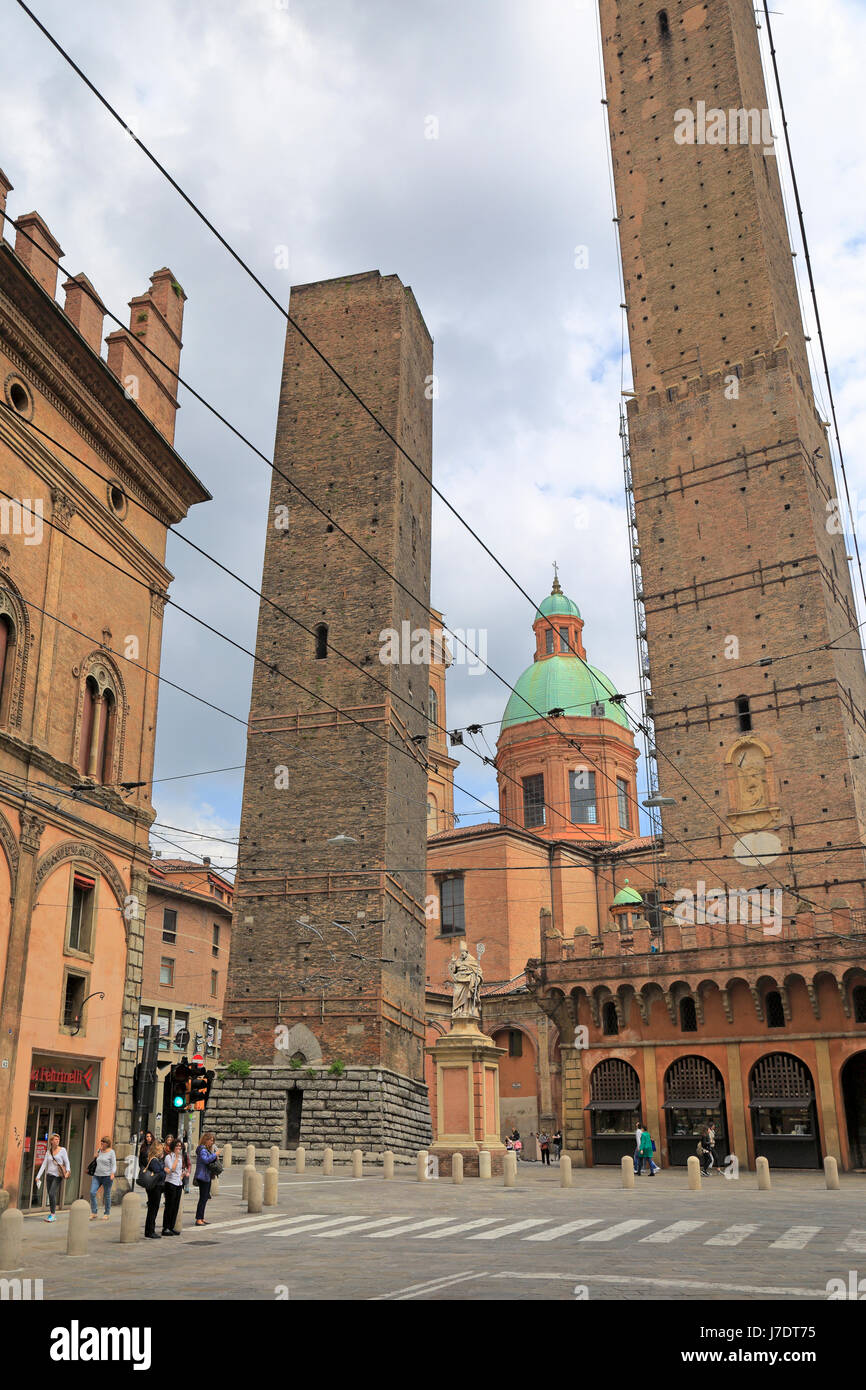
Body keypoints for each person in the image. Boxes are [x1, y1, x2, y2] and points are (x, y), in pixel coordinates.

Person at [35, 1133, 70, 1221]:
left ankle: (53, 1214)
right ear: (51, 1141)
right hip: (49, 1175)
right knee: (51, 1195)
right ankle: (52, 1213)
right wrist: (38, 1176)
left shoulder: (62, 1150)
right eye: (55, 1139)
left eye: (58, 1139)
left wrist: (68, 1171)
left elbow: (67, 1162)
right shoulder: (48, 1152)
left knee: (51, 1193)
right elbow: (44, 1164)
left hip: (58, 1176)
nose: (57, 1141)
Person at [194, 1132, 220, 1225]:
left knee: (204, 1198)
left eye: (213, 1141)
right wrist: (215, 1155)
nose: (212, 1143)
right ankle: (198, 1218)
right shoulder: (202, 1149)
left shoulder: (205, 1149)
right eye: (211, 1140)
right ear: (206, 1140)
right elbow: (205, 1160)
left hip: (206, 1176)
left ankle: (201, 1217)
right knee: (203, 1198)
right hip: (203, 1176)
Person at [89, 1136, 116, 1220]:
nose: (101, 1143)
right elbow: (95, 1161)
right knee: (92, 1192)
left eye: (103, 1142)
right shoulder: (99, 1150)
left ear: (107, 1144)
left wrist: (112, 1173)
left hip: (107, 1176)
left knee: (106, 1195)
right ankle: (94, 1212)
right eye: (101, 1142)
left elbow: (114, 1164)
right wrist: (95, 1156)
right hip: (97, 1175)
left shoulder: (111, 1152)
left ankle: (106, 1213)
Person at [142, 1141, 166, 1238]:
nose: (162, 1151)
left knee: (153, 1209)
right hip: (155, 1187)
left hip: (155, 1187)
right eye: (161, 1149)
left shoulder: (155, 1160)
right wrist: (164, 1169)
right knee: (153, 1209)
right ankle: (150, 1231)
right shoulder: (154, 1160)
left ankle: (150, 1230)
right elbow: (160, 1173)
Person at [161, 1138, 183, 1236]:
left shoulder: (180, 1157)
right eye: (177, 1146)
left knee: (175, 1206)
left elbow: (179, 1171)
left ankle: (171, 1226)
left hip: (178, 1183)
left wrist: (183, 1175)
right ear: (173, 1147)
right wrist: (177, 1158)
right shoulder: (168, 1157)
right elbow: (172, 1169)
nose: (179, 1148)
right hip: (170, 1183)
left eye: (180, 1146)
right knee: (169, 1206)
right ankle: (165, 1227)